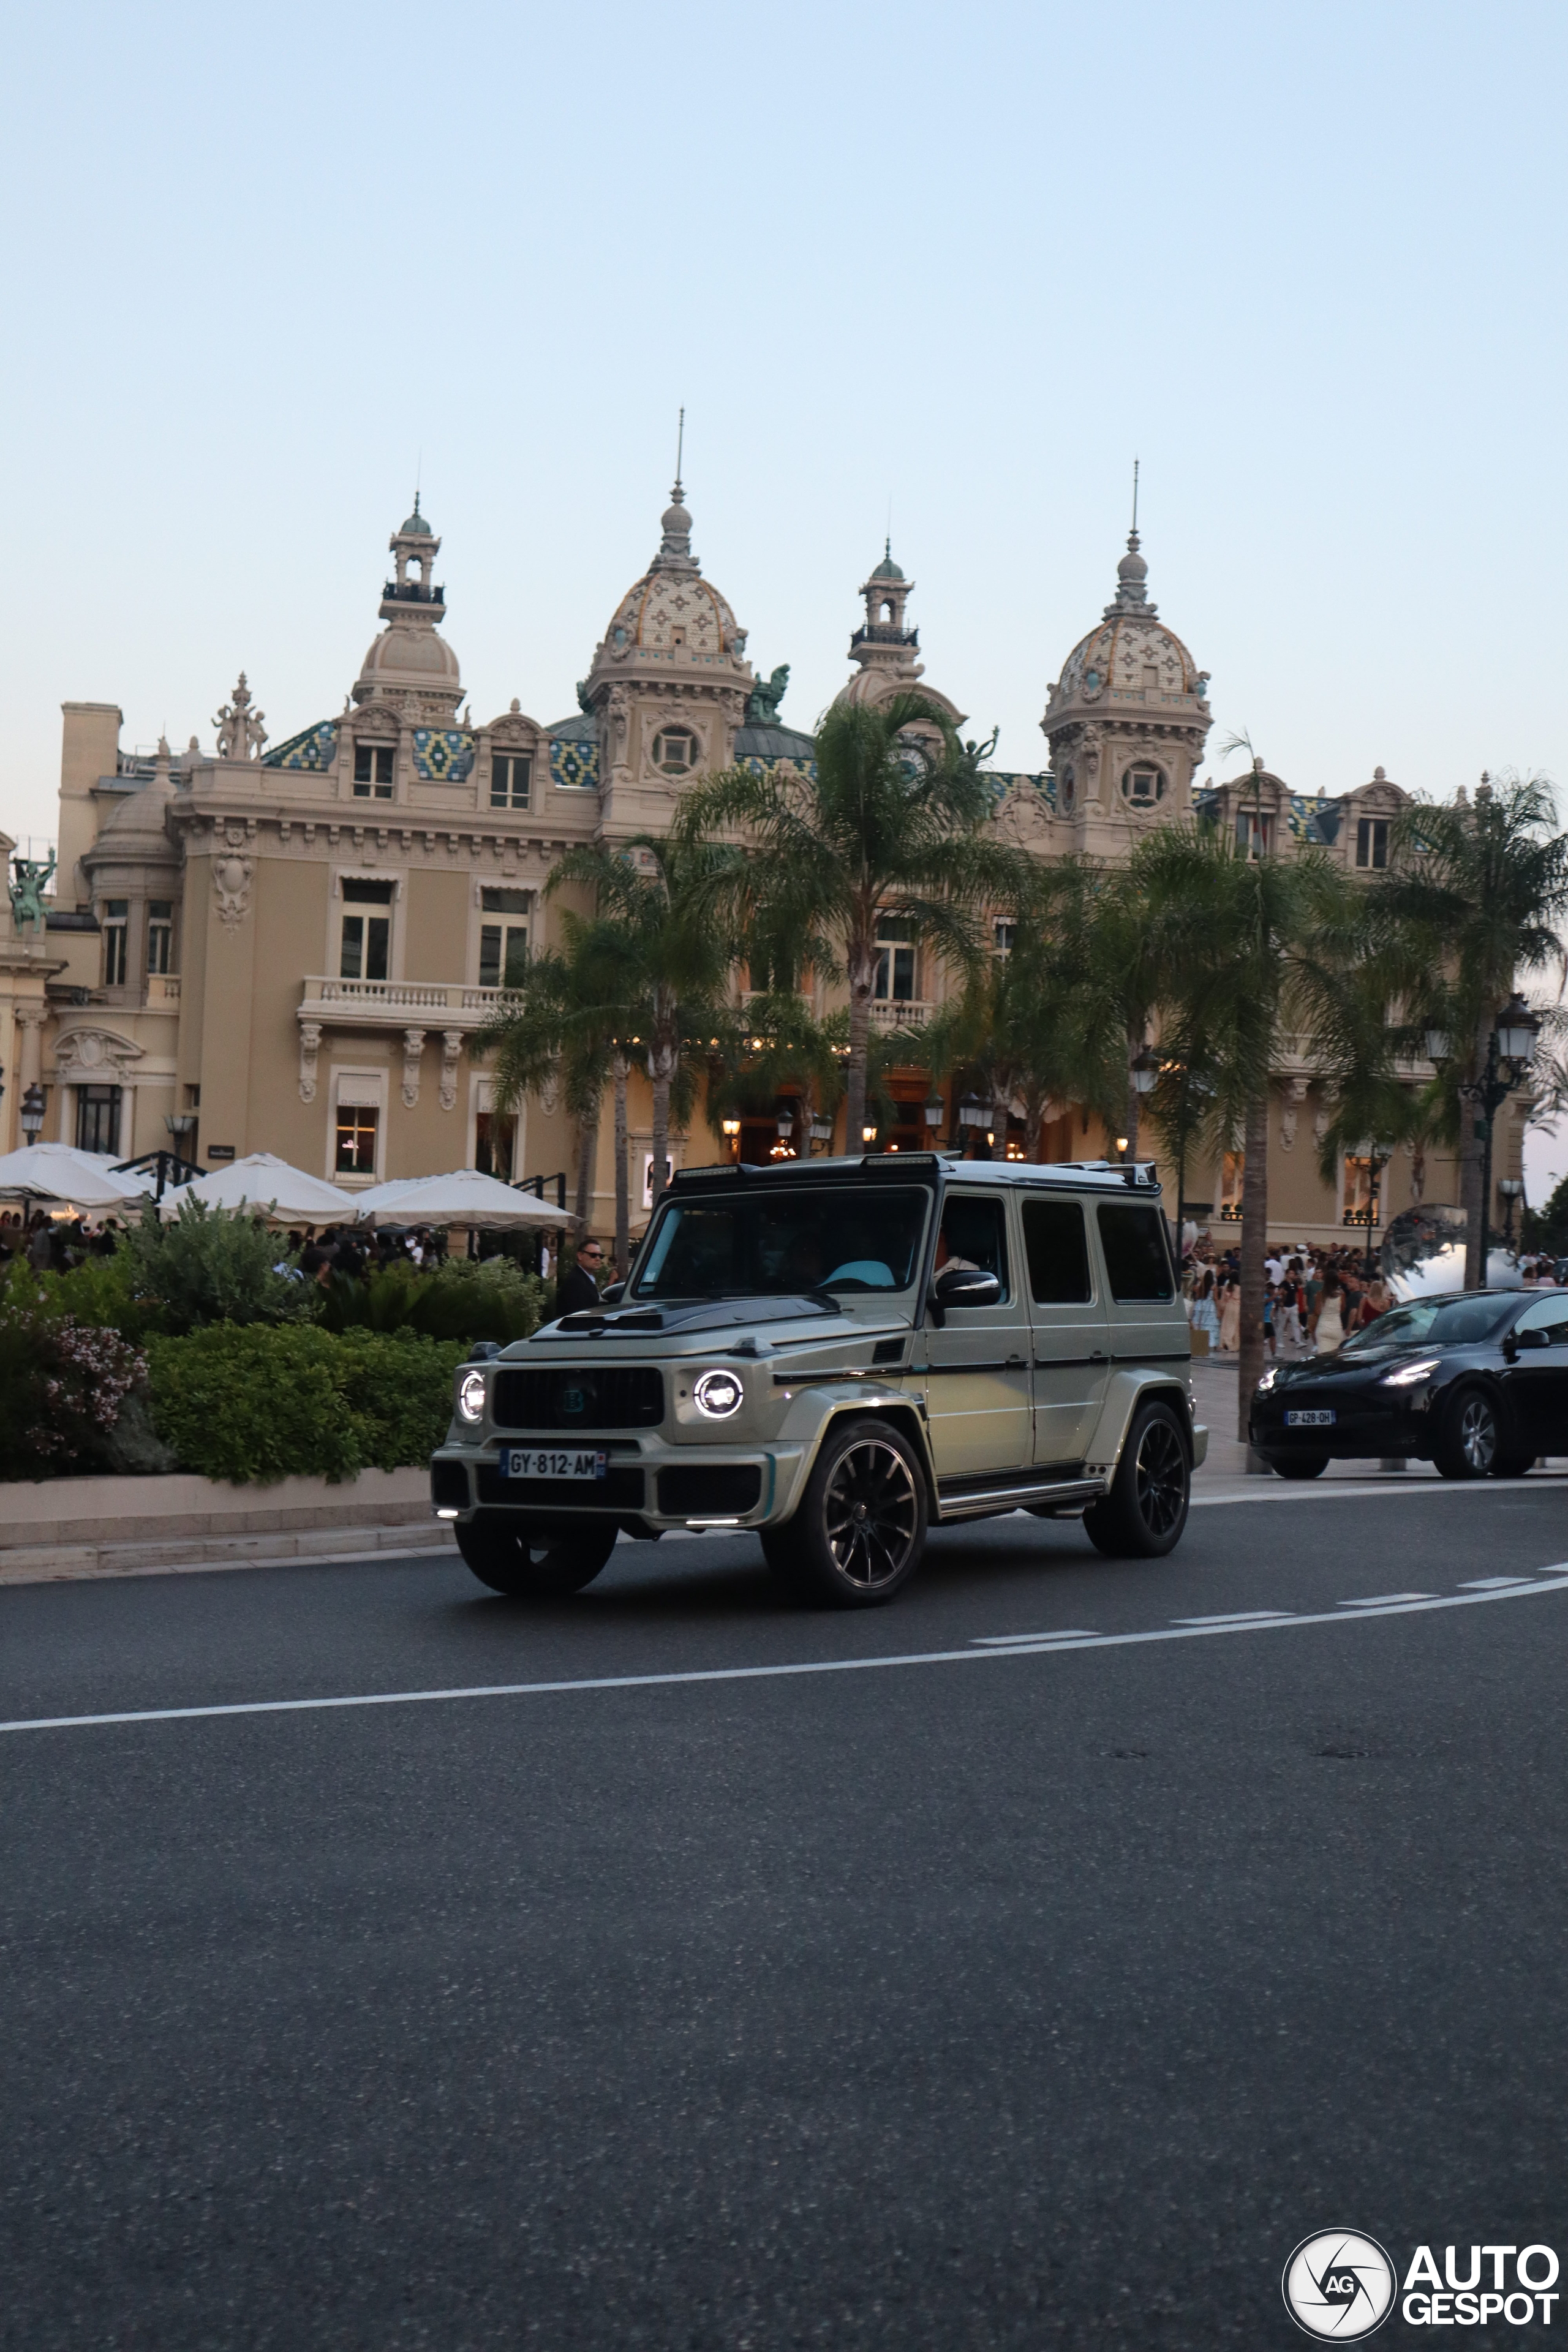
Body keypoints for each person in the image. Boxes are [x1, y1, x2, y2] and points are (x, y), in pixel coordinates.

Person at [556, 1235, 606, 1317]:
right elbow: (579, 1314)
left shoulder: (585, 1278)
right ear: (580, 1256)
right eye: (593, 1255)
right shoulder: (575, 1281)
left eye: (600, 1256)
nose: (598, 1259)